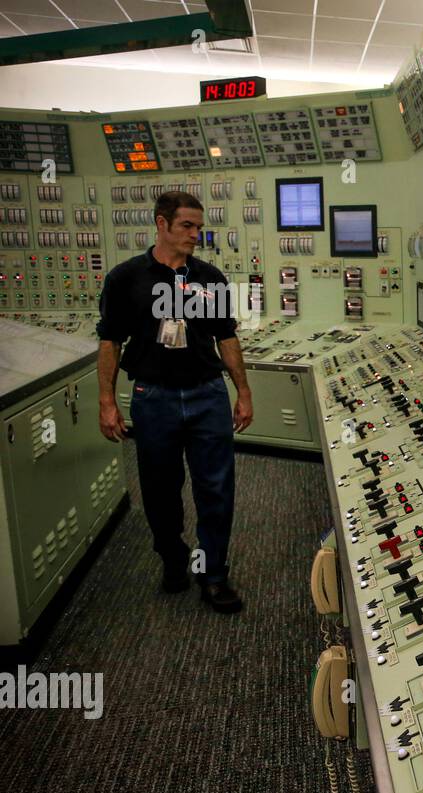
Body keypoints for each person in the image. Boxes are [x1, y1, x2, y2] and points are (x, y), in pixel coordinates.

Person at [96, 191, 253, 613]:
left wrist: (243, 391)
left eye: (199, 227)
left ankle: (213, 574)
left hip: (206, 393)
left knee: (216, 489)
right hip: (154, 397)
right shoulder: (125, 278)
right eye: (187, 226)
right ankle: (172, 556)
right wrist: (106, 401)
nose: (195, 235)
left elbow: (227, 337)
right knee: (160, 490)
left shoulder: (210, 278)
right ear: (161, 225)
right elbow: (110, 341)